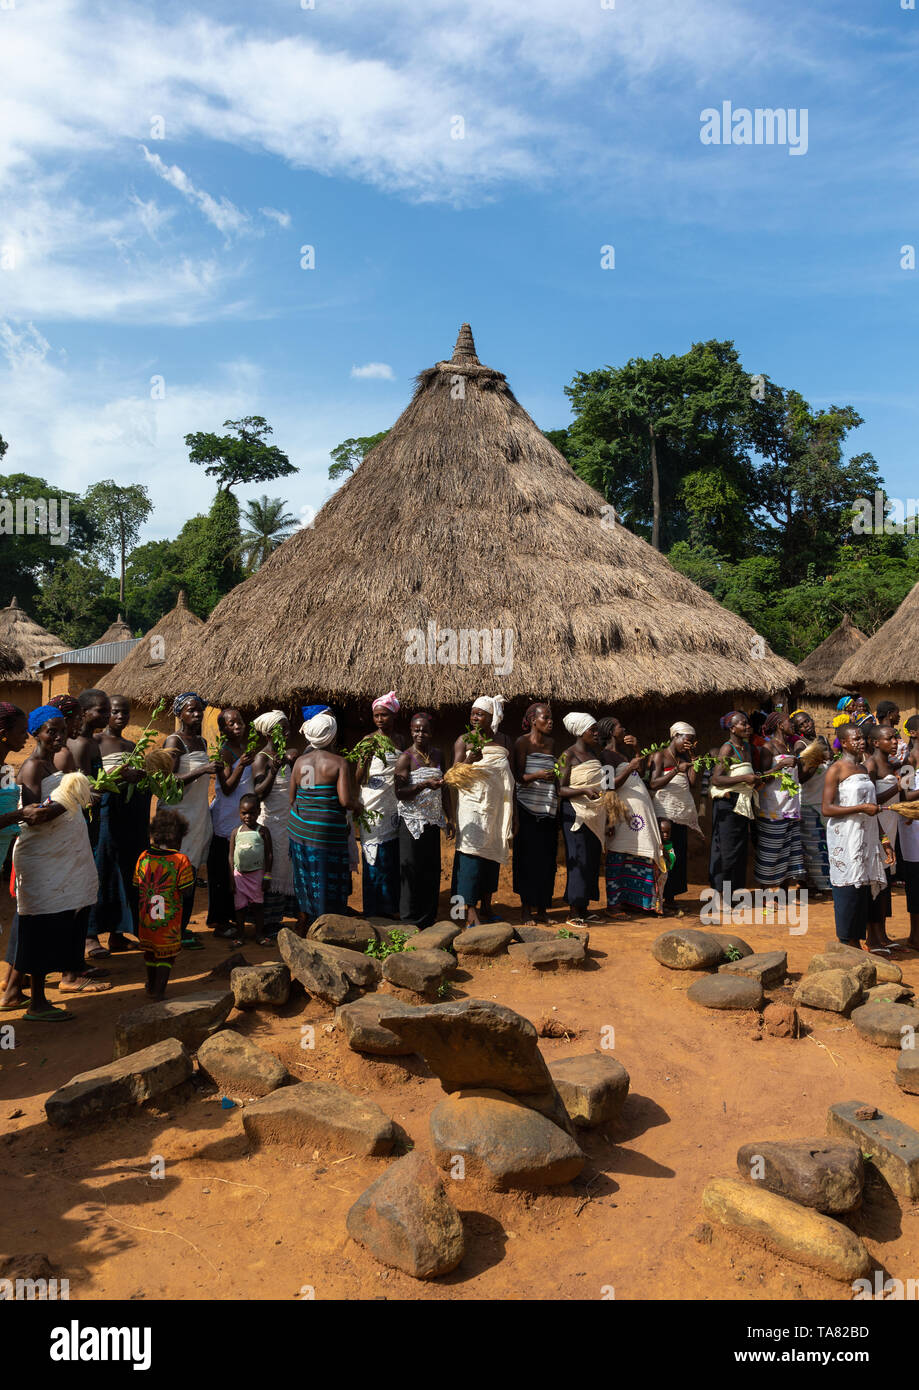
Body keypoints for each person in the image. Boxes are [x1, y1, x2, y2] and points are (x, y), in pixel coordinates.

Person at [11, 707, 109, 1019]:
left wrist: (93, 790)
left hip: (63, 856)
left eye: (60, 730)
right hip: (42, 858)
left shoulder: (55, 762)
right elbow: (34, 817)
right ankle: (37, 1003)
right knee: (40, 923)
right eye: (49, 731)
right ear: (34, 734)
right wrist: (70, 798)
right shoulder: (32, 767)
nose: (57, 736)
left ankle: (56, 982)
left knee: (62, 918)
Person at [0, 703, 57, 1011]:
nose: (26, 736)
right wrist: (21, 814)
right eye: (21, 731)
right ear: (2, 734)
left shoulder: (6, 768)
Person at [89, 694, 150, 953]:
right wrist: (118, 774)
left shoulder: (131, 746)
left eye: (125, 712)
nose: (120, 717)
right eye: (115, 712)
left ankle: (117, 933)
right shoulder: (96, 742)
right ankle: (90, 935)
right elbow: (93, 781)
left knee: (125, 872)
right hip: (105, 816)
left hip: (128, 817)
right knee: (101, 869)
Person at [288, 709, 359, 929]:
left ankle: (305, 919)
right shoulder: (338, 763)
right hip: (326, 834)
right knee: (328, 878)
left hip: (299, 831)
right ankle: (327, 926)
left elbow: (291, 797)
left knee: (305, 877)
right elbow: (345, 800)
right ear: (333, 736)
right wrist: (359, 806)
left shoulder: (300, 762)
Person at [450, 696, 515, 926]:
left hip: (496, 808)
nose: (475, 718)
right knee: (471, 855)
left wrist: (513, 814)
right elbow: (452, 776)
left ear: (492, 717)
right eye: (472, 714)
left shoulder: (505, 741)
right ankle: (469, 911)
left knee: (491, 855)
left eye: (480, 714)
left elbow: (510, 778)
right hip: (472, 808)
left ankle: (487, 905)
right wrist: (469, 759)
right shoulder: (464, 741)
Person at [822, 722, 887, 947]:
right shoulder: (836, 769)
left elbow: (871, 806)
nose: (861, 742)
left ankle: (857, 941)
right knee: (848, 888)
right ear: (844, 743)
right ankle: (846, 941)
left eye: (862, 738)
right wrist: (860, 809)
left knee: (863, 889)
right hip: (845, 837)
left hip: (866, 837)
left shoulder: (863, 769)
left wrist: (883, 838)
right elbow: (827, 808)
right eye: (855, 739)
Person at [164, 693, 220, 950]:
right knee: (176, 874)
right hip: (178, 816)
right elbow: (166, 783)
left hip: (197, 816)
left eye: (200, 711)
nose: (197, 715)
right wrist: (201, 771)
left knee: (191, 872)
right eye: (191, 710)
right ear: (180, 714)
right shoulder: (174, 742)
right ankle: (171, 929)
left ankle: (183, 927)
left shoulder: (202, 741)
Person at [395, 712, 453, 929]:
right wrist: (422, 785)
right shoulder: (406, 757)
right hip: (411, 823)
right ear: (411, 731)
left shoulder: (438, 755)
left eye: (424, 730)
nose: (420, 733)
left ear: (432, 732)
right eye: (416, 730)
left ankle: (428, 918)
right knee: (411, 870)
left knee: (430, 870)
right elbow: (399, 792)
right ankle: (409, 919)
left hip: (432, 821)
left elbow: (445, 788)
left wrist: (450, 818)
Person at [601, 725, 665, 915]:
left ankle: (639, 903)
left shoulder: (622, 754)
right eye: (621, 727)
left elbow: (642, 772)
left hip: (639, 816)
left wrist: (637, 751)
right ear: (612, 731)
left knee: (640, 854)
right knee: (619, 854)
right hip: (623, 814)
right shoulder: (605, 756)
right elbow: (608, 785)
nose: (625, 729)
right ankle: (616, 904)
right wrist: (629, 768)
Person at [67, 689, 111, 962]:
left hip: (92, 821)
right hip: (82, 821)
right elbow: (84, 793)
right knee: (83, 879)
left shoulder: (92, 742)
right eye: (101, 711)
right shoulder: (81, 745)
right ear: (84, 713)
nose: (106, 716)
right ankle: (84, 939)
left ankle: (86, 936)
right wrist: (109, 786)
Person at [354, 691, 405, 919]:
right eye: (376, 716)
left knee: (391, 856)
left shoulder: (401, 740)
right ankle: (373, 909)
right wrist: (365, 760)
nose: (380, 720)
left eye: (384, 715)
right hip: (373, 804)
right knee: (373, 854)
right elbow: (358, 778)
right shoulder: (368, 740)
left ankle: (390, 906)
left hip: (393, 804)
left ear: (394, 715)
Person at [134, 808, 194, 999]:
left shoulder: (143, 856)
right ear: (177, 839)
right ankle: (159, 992)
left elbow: (137, 883)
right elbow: (186, 890)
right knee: (166, 956)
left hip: (146, 918)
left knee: (150, 953)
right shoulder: (180, 860)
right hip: (166, 921)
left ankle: (151, 986)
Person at [207, 708, 256, 938]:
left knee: (237, 869)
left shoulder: (244, 749)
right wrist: (241, 766)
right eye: (231, 723)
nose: (237, 726)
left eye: (240, 722)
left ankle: (235, 914)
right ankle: (219, 920)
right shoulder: (224, 752)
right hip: (225, 818)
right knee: (221, 870)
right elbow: (227, 788)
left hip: (239, 817)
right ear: (223, 729)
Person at [251, 711, 297, 941]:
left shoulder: (284, 755)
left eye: (288, 727)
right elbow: (258, 792)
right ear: (269, 732)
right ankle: (266, 923)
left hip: (286, 823)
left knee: (284, 870)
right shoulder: (262, 758)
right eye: (281, 728)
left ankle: (278, 918)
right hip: (270, 824)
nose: (287, 732)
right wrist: (274, 770)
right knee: (272, 870)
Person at [709, 711, 762, 910]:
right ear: (732, 728)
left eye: (748, 724)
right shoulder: (727, 749)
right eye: (743, 724)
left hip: (742, 804)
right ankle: (720, 896)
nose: (748, 727)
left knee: (739, 851)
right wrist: (743, 779)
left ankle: (732, 895)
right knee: (727, 850)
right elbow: (717, 779)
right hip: (728, 806)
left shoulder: (747, 747)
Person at [512, 702, 559, 924]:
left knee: (547, 861)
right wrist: (539, 775)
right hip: (527, 809)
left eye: (551, 718)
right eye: (545, 718)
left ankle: (542, 909)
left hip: (548, 809)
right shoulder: (522, 743)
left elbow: (555, 773)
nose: (550, 722)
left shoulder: (551, 743)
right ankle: (525, 909)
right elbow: (518, 777)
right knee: (527, 860)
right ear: (533, 721)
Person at [558, 713, 606, 927]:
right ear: (580, 732)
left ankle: (584, 908)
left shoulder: (594, 755)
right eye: (592, 730)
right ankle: (573, 911)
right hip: (575, 813)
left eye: (597, 730)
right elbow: (558, 789)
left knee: (592, 860)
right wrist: (584, 790)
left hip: (595, 815)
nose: (596, 734)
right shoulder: (567, 755)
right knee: (579, 859)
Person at [649, 722, 701, 908]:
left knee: (676, 855)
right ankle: (658, 897)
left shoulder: (685, 756)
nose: (688, 745)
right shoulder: (660, 756)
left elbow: (693, 782)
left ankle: (670, 898)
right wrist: (676, 771)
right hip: (664, 814)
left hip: (680, 814)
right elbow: (653, 784)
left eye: (692, 742)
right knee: (664, 854)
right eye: (687, 741)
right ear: (675, 736)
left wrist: (693, 758)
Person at [864, 723, 906, 952]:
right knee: (876, 882)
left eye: (896, 738)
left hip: (891, 828)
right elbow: (871, 803)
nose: (894, 742)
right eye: (889, 738)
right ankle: (872, 937)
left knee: (886, 883)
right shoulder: (870, 766)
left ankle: (883, 934)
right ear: (875, 742)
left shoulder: (889, 764)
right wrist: (897, 787)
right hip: (878, 830)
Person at [754, 711, 804, 889]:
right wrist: (780, 766)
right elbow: (761, 777)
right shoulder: (769, 748)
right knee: (771, 852)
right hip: (773, 808)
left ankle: (782, 891)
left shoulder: (789, 747)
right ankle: (765, 893)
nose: (792, 725)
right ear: (779, 726)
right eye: (789, 722)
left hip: (791, 807)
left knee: (788, 852)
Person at [791, 710, 831, 897]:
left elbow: (831, 759)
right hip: (808, 801)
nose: (807, 725)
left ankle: (824, 883)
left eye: (807, 720)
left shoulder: (822, 739)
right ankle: (814, 885)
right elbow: (802, 777)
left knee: (824, 845)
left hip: (825, 800)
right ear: (797, 729)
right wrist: (816, 761)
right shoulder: (800, 745)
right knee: (812, 847)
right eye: (801, 724)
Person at [228, 793, 272, 946]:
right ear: (239, 812)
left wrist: (267, 875)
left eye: (252, 813)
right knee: (239, 908)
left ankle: (259, 934)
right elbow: (230, 856)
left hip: (257, 876)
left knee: (258, 907)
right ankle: (240, 935)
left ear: (259, 812)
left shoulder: (263, 831)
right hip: (239, 876)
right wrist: (232, 878)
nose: (248, 816)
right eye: (244, 813)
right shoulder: (235, 832)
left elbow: (269, 854)